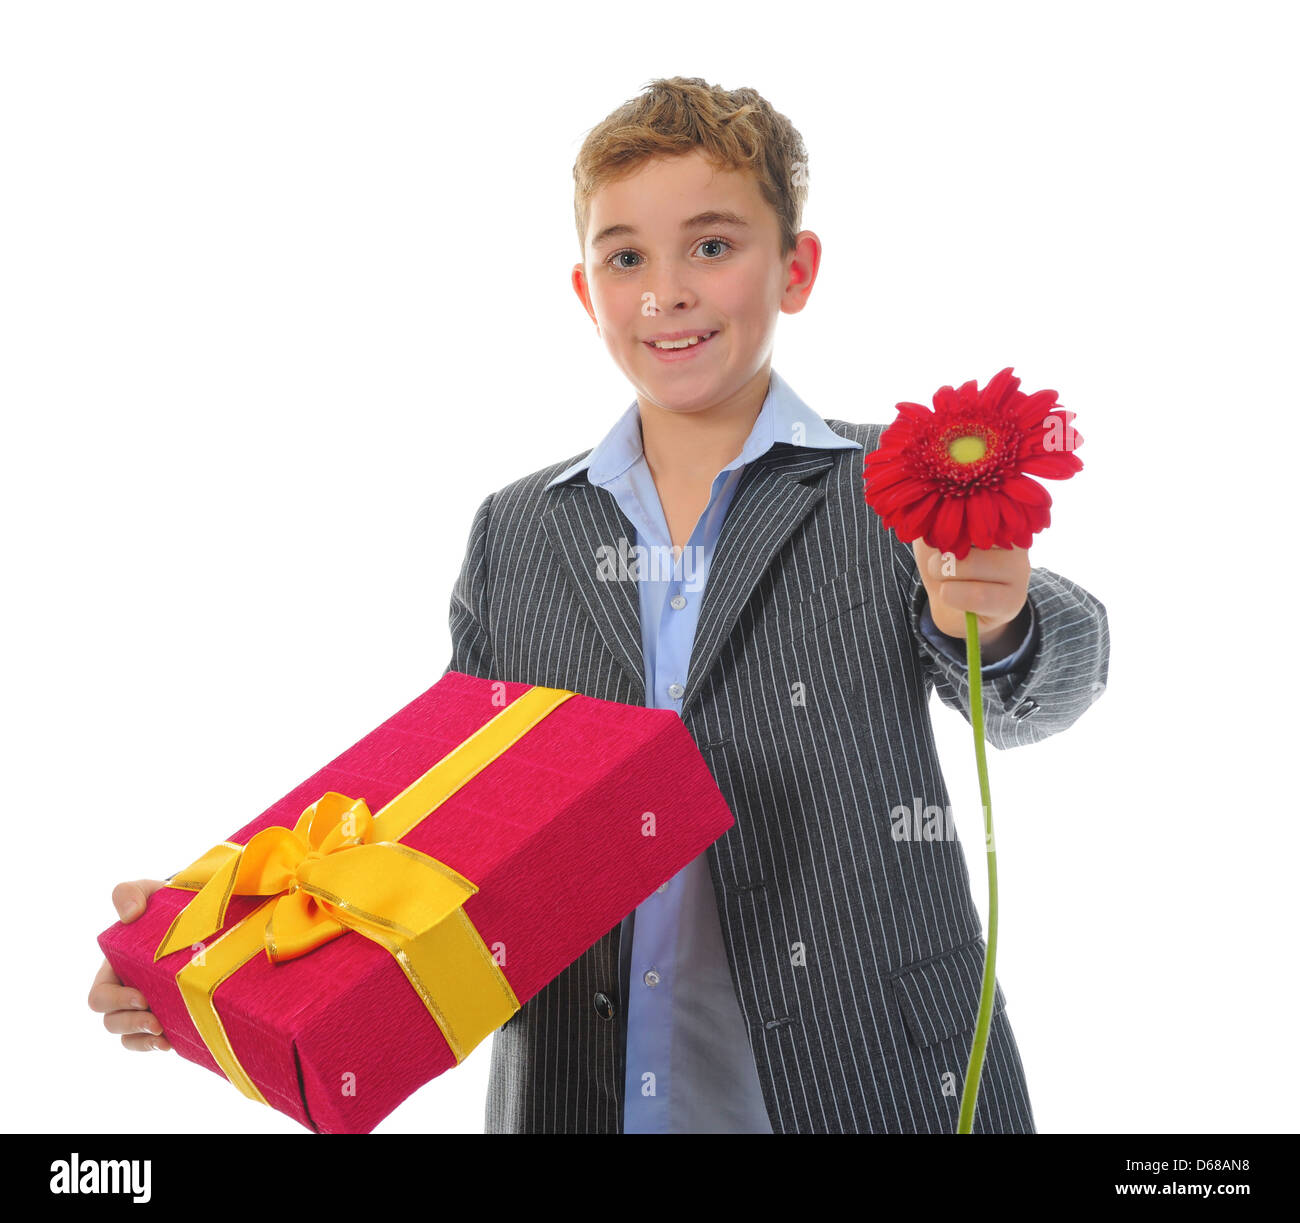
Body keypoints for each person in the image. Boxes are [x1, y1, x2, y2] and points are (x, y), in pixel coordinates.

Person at [91, 76, 1109, 1133]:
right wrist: (227, 943)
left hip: (872, 1080)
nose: (665, 290)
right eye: (626, 256)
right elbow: (444, 818)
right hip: (587, 1086)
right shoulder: (518, 528)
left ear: (796, 269)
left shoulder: (888, 489)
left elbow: (1051, 684)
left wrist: (998, 623)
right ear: (586, 291)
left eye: (711, 246)